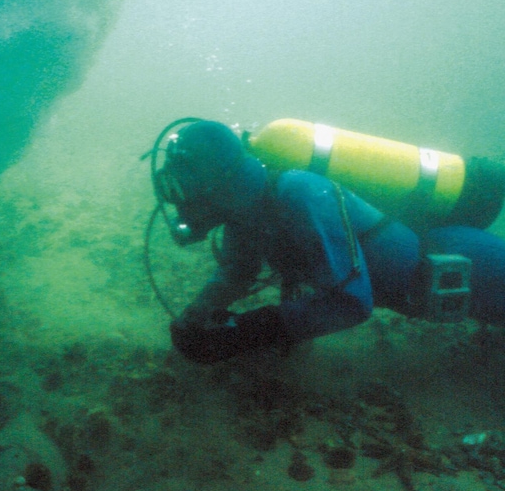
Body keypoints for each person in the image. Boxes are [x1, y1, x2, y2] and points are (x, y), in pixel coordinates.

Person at [151, 119, 505, 363]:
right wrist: (194, 320)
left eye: (180, 190)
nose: (179, 204)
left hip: (471, 266)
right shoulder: (244, 214)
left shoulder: (301, 193)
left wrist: (246, 332)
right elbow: (237, 272)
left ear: (218, 182)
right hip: (436, 283)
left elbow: (352, 304)